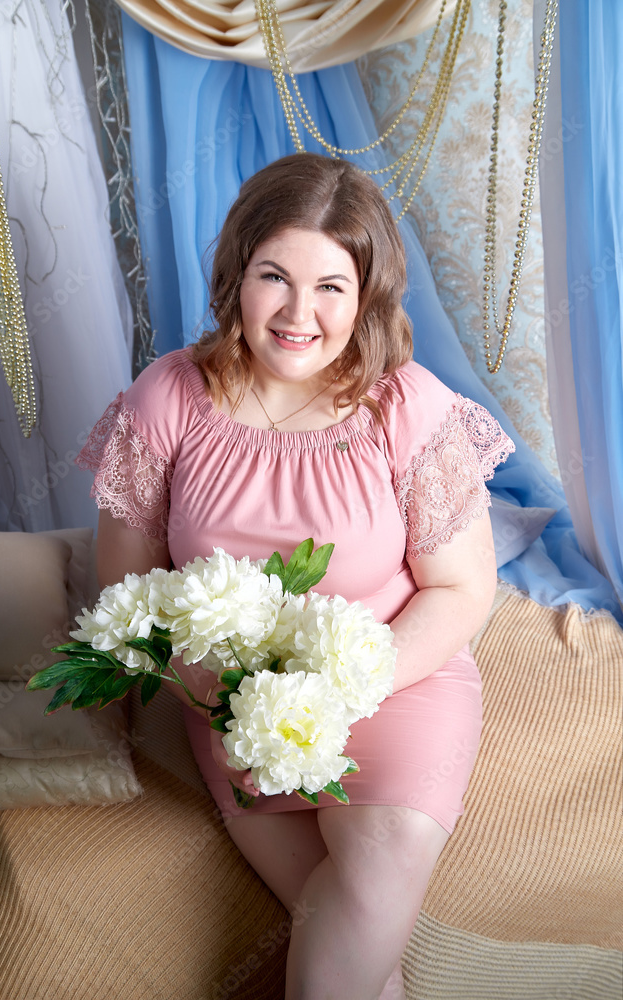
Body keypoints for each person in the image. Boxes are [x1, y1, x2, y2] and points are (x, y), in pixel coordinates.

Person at [77, 152, 514, 999]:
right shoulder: (165, 399)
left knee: (376, 867)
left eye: (330, 288)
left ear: (365, 297)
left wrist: (347, 684)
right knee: (352, 947)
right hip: (243, 712)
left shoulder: (405, 408)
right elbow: (124, 596)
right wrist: (210, 686)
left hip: (395, 683)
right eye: (275, 276)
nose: (298, 314)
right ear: (237, 273)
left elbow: (462, 589)